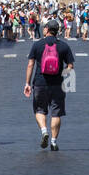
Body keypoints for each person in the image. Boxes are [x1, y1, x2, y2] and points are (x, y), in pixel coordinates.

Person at [24, 21, 75, 150]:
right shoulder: (63, 46)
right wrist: (65, 77)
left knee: (39, 110)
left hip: (40, 83)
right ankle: (53, 141)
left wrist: (27, 83)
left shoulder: (37, 45)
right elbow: (70, 66)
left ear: (46, 29)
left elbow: (30, 65)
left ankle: (44, 131)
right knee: (56, 113)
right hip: (57, 84)